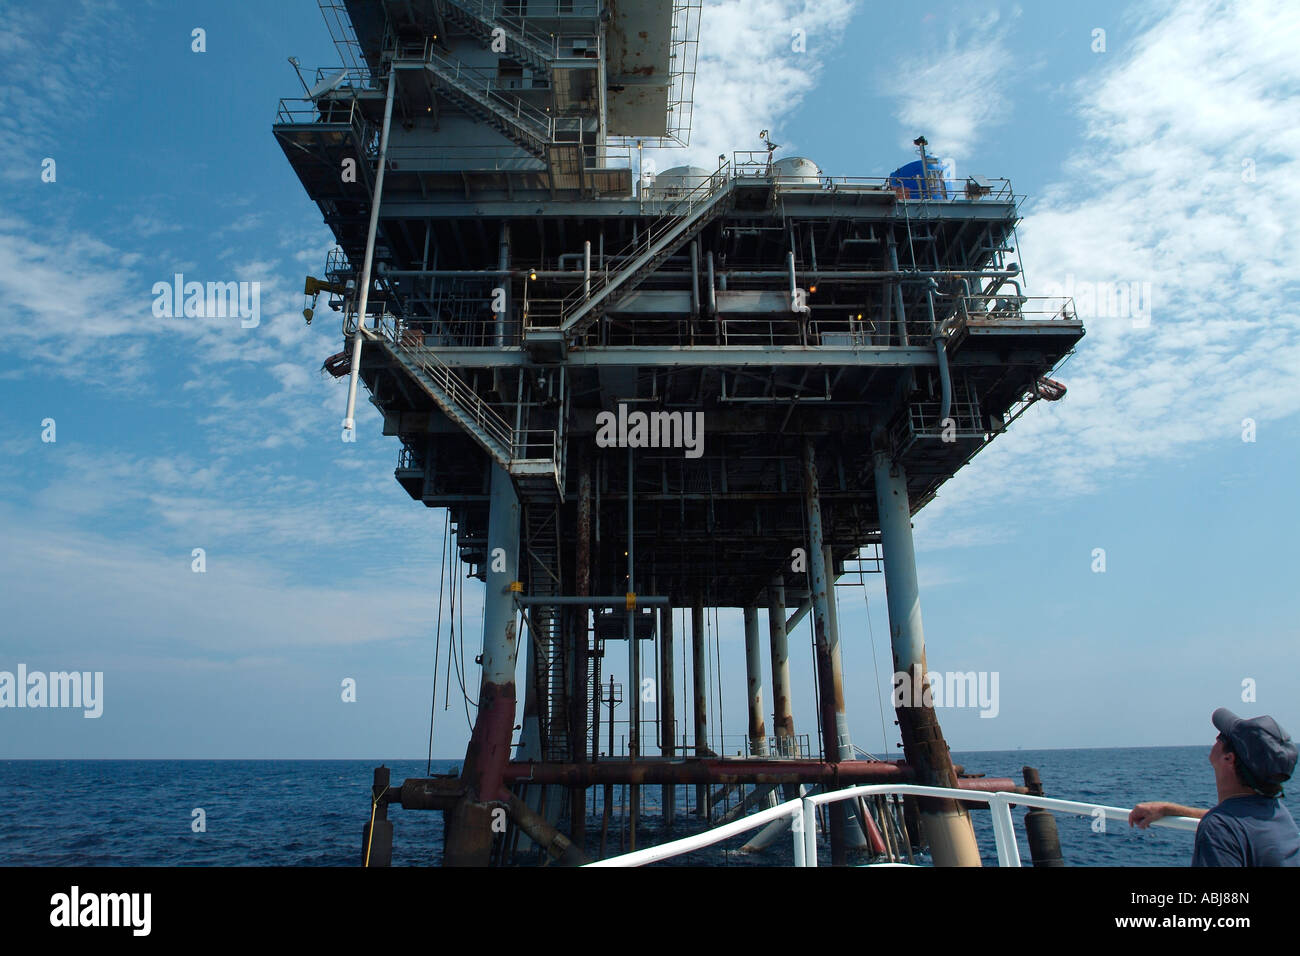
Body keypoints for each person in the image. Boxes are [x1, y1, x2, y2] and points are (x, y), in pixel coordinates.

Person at [1129, 708, 1299, 866]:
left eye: (1222, 736)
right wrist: (1168, 809)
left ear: (1229, 759)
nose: (1216, 739)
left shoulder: (1218, 829)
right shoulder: (1277, 813)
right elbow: (1240, 820)